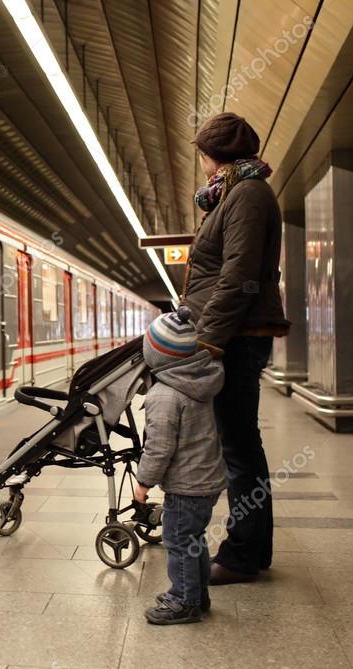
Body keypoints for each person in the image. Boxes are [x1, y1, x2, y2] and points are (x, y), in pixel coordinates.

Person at [182, 113, 290, 584]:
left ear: (214, 156)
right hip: (235, 335)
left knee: (240, 449)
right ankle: (249, 548)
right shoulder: (235, 192)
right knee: (239, 445)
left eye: (203, 156)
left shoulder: (246, 196)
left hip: (237, 339)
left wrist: (208, 338)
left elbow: (237, 277)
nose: (202, 166)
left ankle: (243, 554)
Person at [135, 307, 227, 625]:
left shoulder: (163, 396)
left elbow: (159, 449)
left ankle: (183, 600)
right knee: (194, 538)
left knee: (177, 541)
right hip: (208, 479)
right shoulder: (200, 380)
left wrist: (143, 482)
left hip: (187, 485)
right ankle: (197, 595)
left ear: (154, 355)